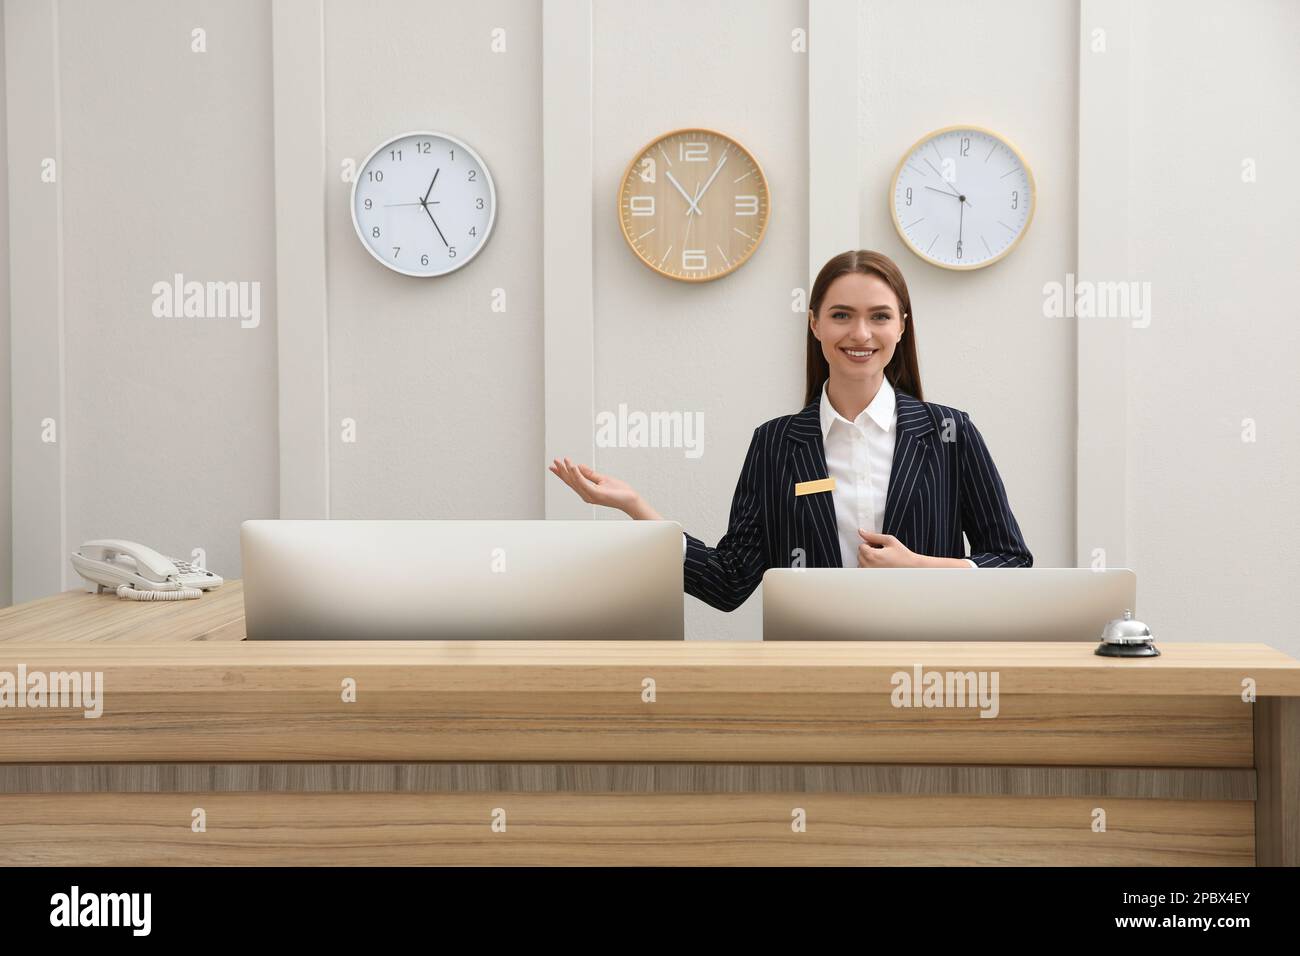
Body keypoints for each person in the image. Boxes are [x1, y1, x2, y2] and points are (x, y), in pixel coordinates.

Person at [550, 249, 1032, 612]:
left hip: (930, 674)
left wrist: (921, 568)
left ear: (902, 326)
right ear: (815, 324)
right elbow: (728, 581)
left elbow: (1012, 563)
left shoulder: (949, 432)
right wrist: (636, 507)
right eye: (841, 315)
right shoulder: (775, 444)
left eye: (879, 316)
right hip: (811, 677)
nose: (860, 334)